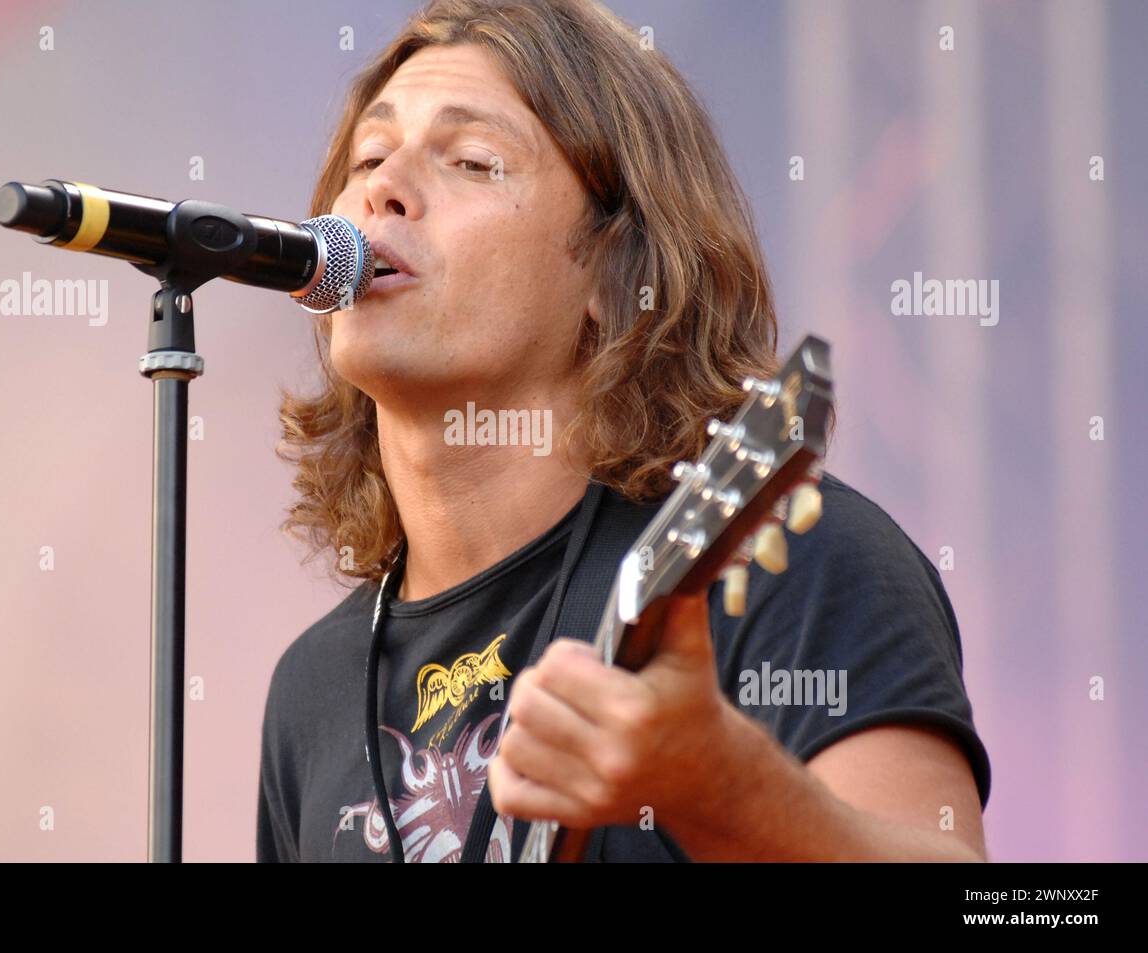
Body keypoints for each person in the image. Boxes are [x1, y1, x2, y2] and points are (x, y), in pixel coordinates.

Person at [257, 0, 990, 863]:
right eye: (368, 157)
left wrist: (732, 796)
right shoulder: (313, 687)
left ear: (616, 268)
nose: (380, 188)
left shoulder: (794, 562)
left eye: (473, 161)